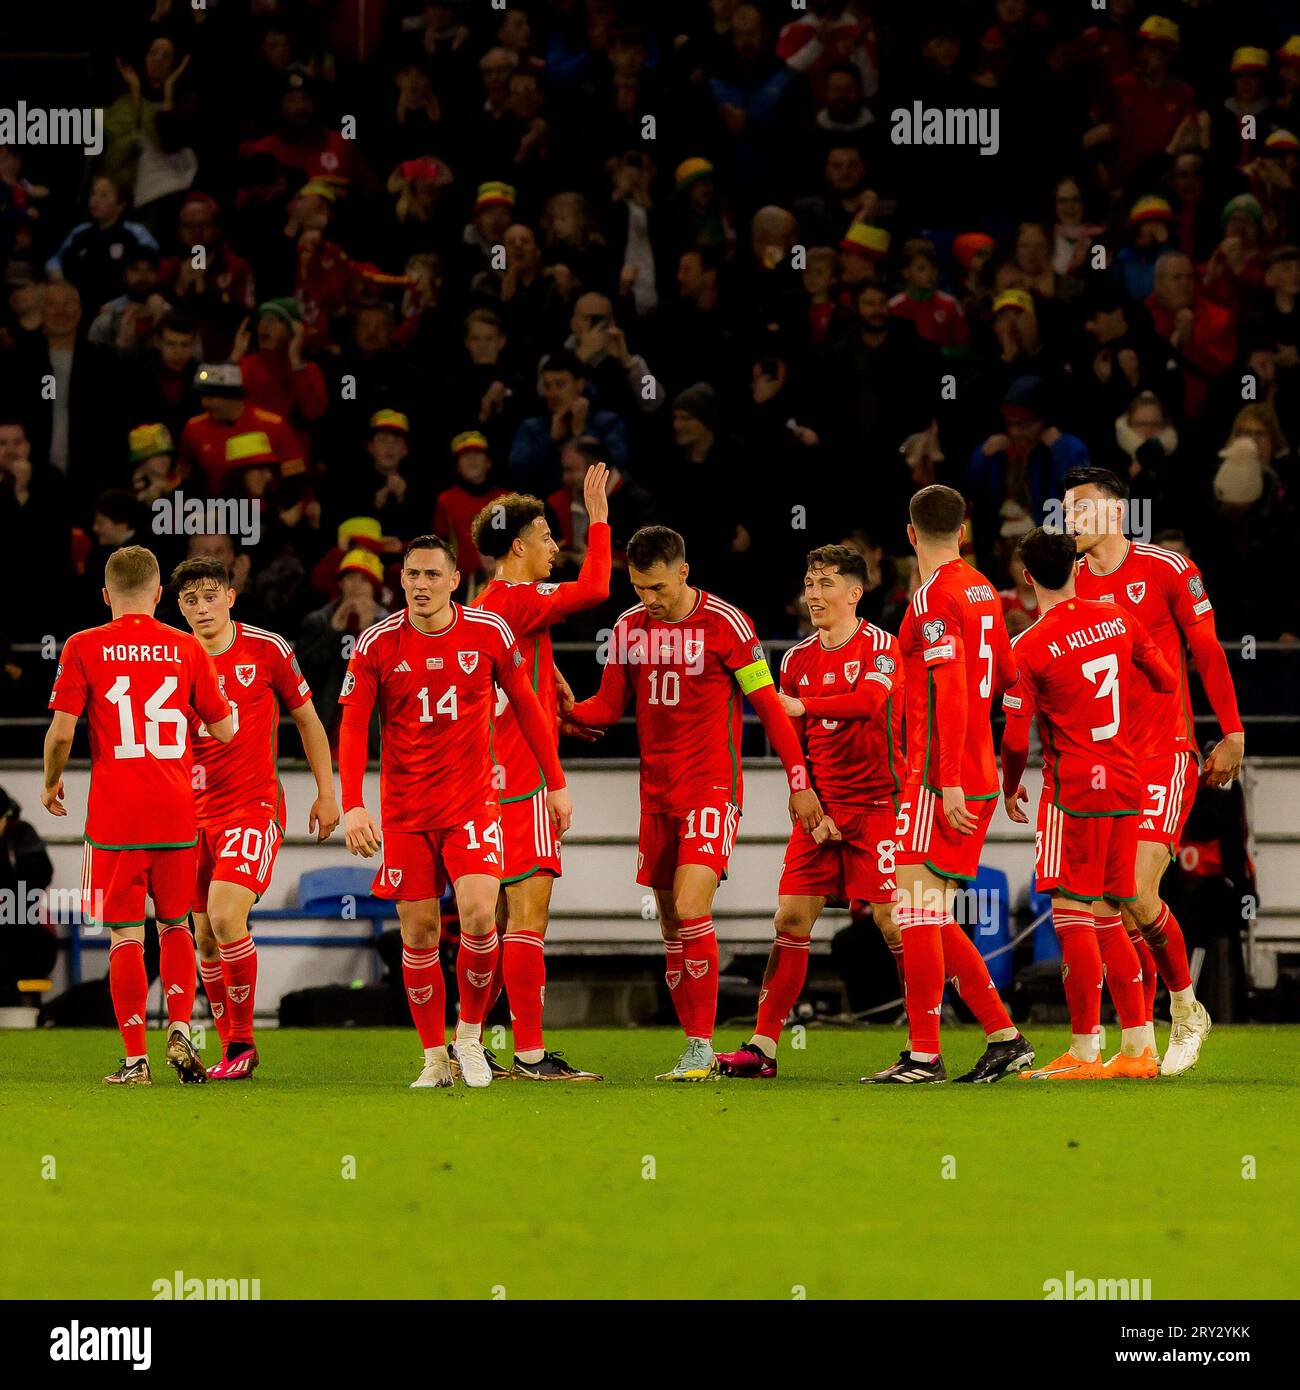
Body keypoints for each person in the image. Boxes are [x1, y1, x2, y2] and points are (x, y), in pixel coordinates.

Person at [566, 525, 824, 1082]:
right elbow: (607, 710)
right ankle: (694, 1048)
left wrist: (798, 781)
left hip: (712, 786)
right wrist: (557, 706)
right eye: (638, 589)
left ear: (684, 571)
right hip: (655, 795)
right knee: (669, 924)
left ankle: (702, 1046)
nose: (648, 600)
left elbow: (770, 708)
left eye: (657, 587)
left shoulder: (727, 624)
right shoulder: (627, 629)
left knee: (690, 907)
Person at [337, 534, 574, 1090]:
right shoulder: (375, 643)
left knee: (477, 915)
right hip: (406, 812)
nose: (421, 585)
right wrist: (352, 804)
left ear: (452, 580)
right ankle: (433, 1058)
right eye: (412, 575)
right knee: (418, 934)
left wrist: (555, 784)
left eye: (432, 576)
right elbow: (351, 726)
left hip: (472, 804)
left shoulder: (488, 633)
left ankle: (468, 1037)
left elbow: (530, 709)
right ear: (402, 579)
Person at [1067, 466, 1245, 1074]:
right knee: (1105, 909)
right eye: (1066, 508)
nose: (1071, 518)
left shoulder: (1168, 569)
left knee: (1134, 890)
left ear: (1115, 513)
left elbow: (1208, 650)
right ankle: (1138, 1039)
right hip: (1102, 766)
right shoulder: (1069, 584)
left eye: (1083, 507)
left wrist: (1233, 730)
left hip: (1164, 753)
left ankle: (1186, 1012)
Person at [41, 545, 233, 1085]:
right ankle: (178, 1026)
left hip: (115, 818)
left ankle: (135, 1060)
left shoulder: (83, 646)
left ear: (106, 595)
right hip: (176, 811)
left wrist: (52, 781)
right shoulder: (186, 647)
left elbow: (61, 731)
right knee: (177, 925)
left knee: (125, 936)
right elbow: (225, 730)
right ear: (159, 595)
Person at [716, 545, 905, 1079]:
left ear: (854, 593)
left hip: (879, 806)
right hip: (821, 809)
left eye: (825, 584)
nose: (814, 594)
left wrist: (802, 704)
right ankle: (764, 1046)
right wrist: (802, 794)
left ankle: (922, 1045)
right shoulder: (796, 658)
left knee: (895, 925)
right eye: (809, 583)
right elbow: (791, 739)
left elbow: (868, 703)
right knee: (790, 919)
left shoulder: (882, 649)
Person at [868, 485, 1033, 1084]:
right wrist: (1009, 771)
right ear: (963, 531)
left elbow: (954, 688)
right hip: (979, 774)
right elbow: (1014, 687)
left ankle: (923, 1055)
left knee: (912, 908)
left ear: (909, 534)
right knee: (931, 913)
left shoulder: (934, 595)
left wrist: (949, 779)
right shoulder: (985, 589)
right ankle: (1004, 1037)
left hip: (941, 777)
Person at [999, 528, 1176, 1080]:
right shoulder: (1121, 618)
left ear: (1027, 578)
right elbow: (1168, 680)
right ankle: (1140, 1047)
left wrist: (1009, 786)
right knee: (1110, 911)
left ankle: (1083, 1051)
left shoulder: (1027, 645)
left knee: (1073, 912)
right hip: (1127, 783)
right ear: (1078, 567)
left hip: (1073, 788)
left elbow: (1012, 737)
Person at [467, 464, 612, 1079]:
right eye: (549, 535)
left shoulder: (489, 607)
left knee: (494, 923)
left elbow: (514, 685)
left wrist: (556, 712)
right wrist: (599, 518)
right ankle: (528, 1052)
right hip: (518, 784)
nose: (559, 545)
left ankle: (474, 1043)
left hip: (483, 779)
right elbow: (598, 588)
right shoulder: (516, 600)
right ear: (519, 546)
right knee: (529, 916)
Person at [172, 556, 340, 1080]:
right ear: (179, 606)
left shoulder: (267, 648)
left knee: (224, 916)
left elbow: (308, 719)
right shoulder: (169, 658)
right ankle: (229, 1049)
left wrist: (327, 792)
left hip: (252, 807)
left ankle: (243, 1044)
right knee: (203, 936)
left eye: (209, 596)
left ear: (230, 595)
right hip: (187, 817)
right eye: (190, 600)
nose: (201, 608)